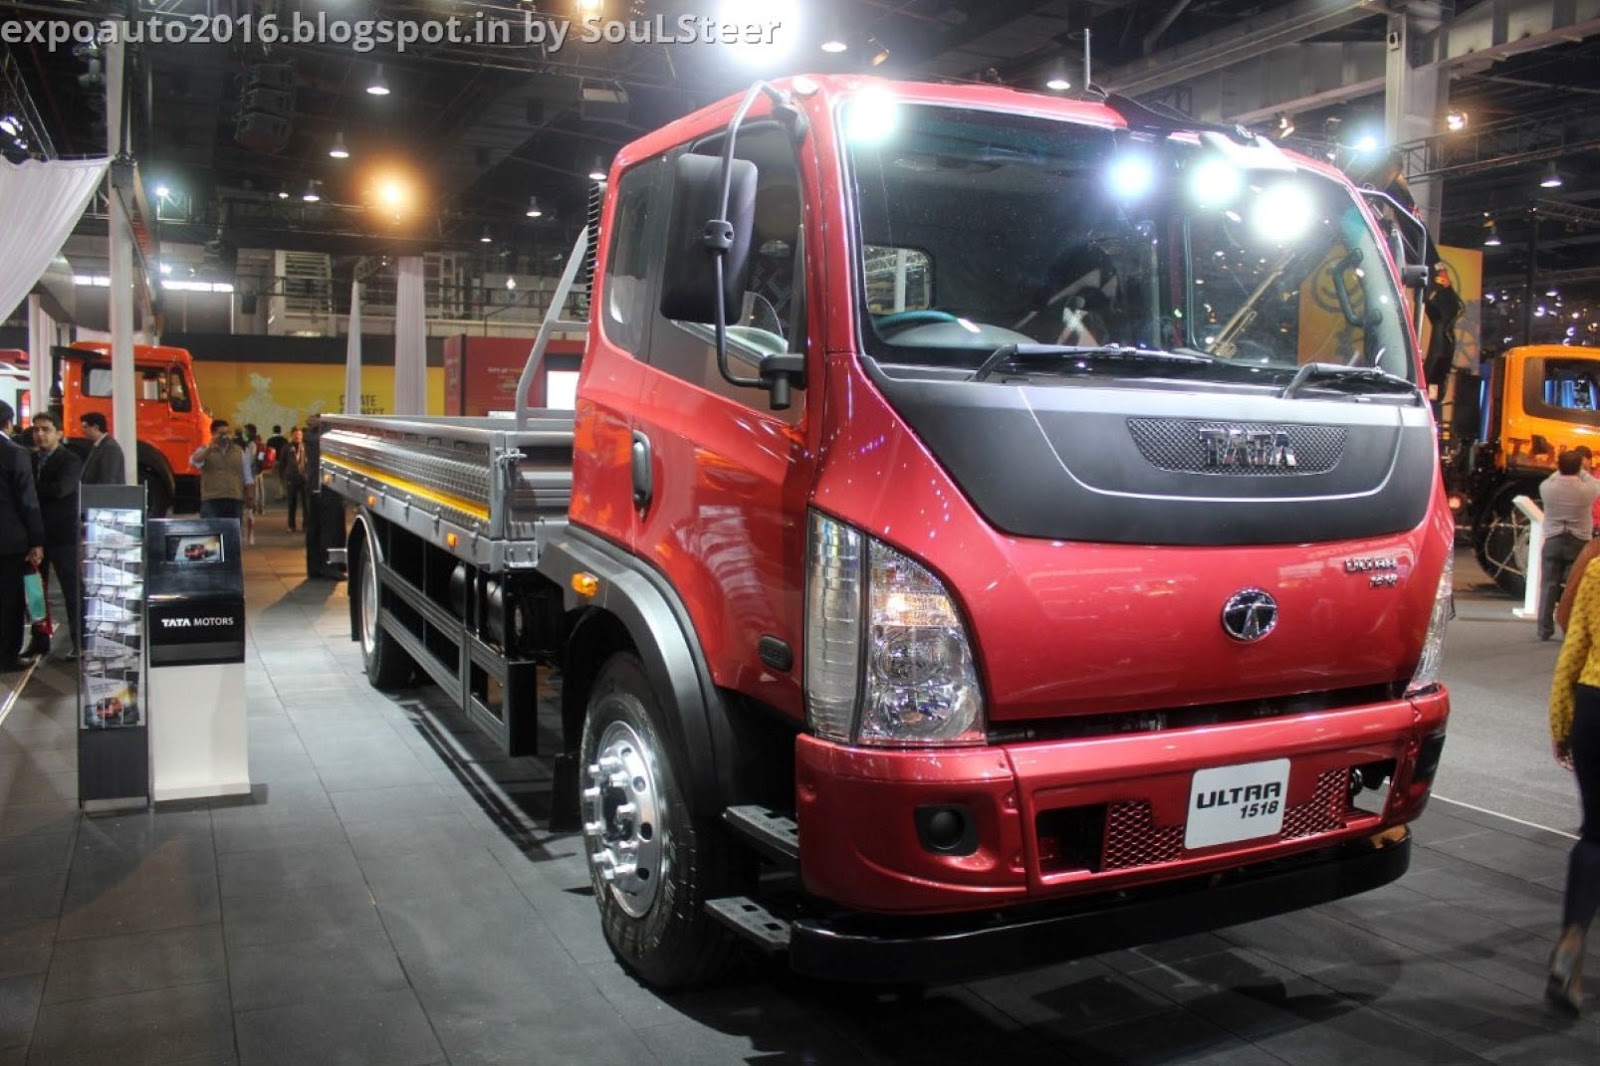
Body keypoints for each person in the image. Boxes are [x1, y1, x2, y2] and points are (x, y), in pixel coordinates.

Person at [1547, 552, 1600, 1013]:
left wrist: (1561, 723)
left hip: (1593, 706)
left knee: (1595, 835)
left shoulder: (1598, 570)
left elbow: (1573, 648)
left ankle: (1573, 936)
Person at [30, 414, 83, 660]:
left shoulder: (70, 460)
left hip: (63, 535)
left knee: (71, 591)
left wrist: (28, 490)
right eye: (36, 430)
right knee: (34, 591)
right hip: (35, 536)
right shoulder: (29, 459)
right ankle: (39, 641)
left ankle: (80, 643)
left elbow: (61, 489)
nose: (40, 434)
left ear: (59, 433)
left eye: (46, 429)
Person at [0, 401, 45, 671]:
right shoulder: (15, 454)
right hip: (9, 540)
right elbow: (28, 500)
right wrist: (36, 539)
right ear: (8, 423)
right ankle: (6, 656)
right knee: (10, 600)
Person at [1539, 449, 1600, 640]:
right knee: (1574, 587)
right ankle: (1570, 627)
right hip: (1579, 541)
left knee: (1548, 585)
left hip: (1553, 539)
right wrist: (1582, 471)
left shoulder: (1546, 488)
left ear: (1559, 466)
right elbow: (1595, 483)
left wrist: (1561, 469)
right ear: (1579, 467)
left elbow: (1552, 477)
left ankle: (1544, 628)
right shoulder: (1587, 490)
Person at [189, 418, 255, 521]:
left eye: (227, 433)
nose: (225, 437)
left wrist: (250, 496)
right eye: (221, 433)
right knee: (212, 530)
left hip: (234, 499)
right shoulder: (204, 450)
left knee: (233, 530)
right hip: (212, 500)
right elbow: (194, 461)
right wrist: (210, 449)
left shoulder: (239, 451)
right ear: (213, 434)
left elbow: (247, 476)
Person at [78, 412, 126, 485]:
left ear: (96, 427)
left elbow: (108, 481)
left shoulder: (110, 448)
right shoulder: (100, 446)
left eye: (85, 427)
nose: (83, 431)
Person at [279, 426, 309, 532]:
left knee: (306, 504)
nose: (298, 437)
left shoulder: (306, 447)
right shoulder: (287, 447)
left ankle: (306, 525)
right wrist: (283, 477)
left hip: (304, 478)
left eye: (300, 435)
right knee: (292, 503)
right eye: (296, 435)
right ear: (292, 435)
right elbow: (282, 463)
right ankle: (291, 525)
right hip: (291, 478)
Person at [265, 424, 288, 503]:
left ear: (273, 431)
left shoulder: (270, 440)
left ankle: (279, 494)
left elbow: (267, 451)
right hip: (284, 461)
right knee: (284, 477)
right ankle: (285, 492)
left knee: (276, 478)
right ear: (280, 431)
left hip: (274, 461)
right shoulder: (284, 440)